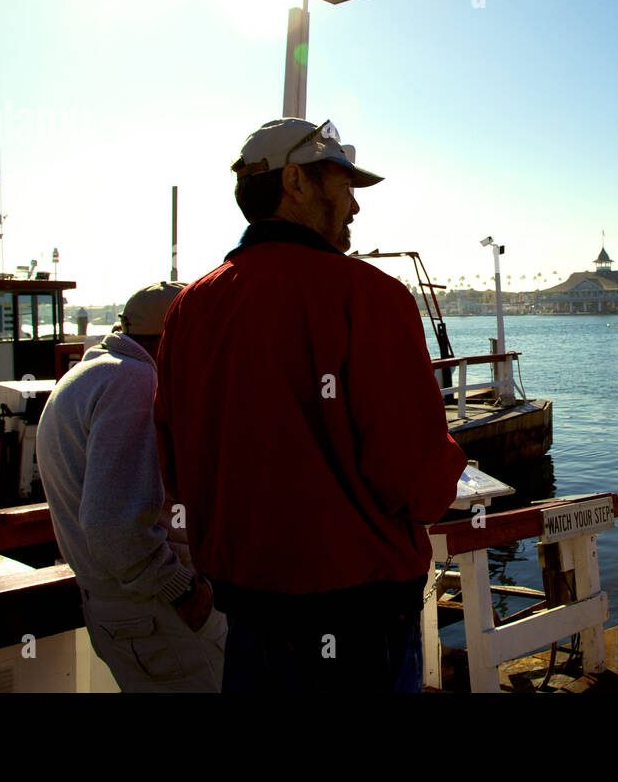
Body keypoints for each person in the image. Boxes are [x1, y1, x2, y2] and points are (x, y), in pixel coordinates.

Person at [154, 117, 468, 693]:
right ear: (294, 181)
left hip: (248, 612)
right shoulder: (369, 295)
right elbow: (416, 477)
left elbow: (176, 468)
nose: (355, 206)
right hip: (359, 618)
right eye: (344, 186)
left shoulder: (189, 308)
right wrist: (450, 463)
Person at [36, 281, 227, 692]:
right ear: (174, 338)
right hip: (157, 613)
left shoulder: (92, 373)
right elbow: (112, 524)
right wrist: (183, 593)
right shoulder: (138, 384)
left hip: (123, 609)